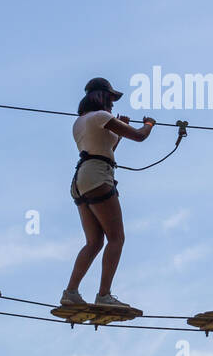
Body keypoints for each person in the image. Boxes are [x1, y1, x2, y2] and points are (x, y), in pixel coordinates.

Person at [62, 78, 155, 308]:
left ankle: (70, 293)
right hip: (97, 175)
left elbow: (104, 148)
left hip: (81, 179)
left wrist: (118, 132)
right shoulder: (102, 117)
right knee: (116, 238)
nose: (113, 105)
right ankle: (104, 296)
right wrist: (149, 124)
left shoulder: (80, 122)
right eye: (111, 100)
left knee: (94, 242)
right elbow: (140, 136)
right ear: (102, 98)